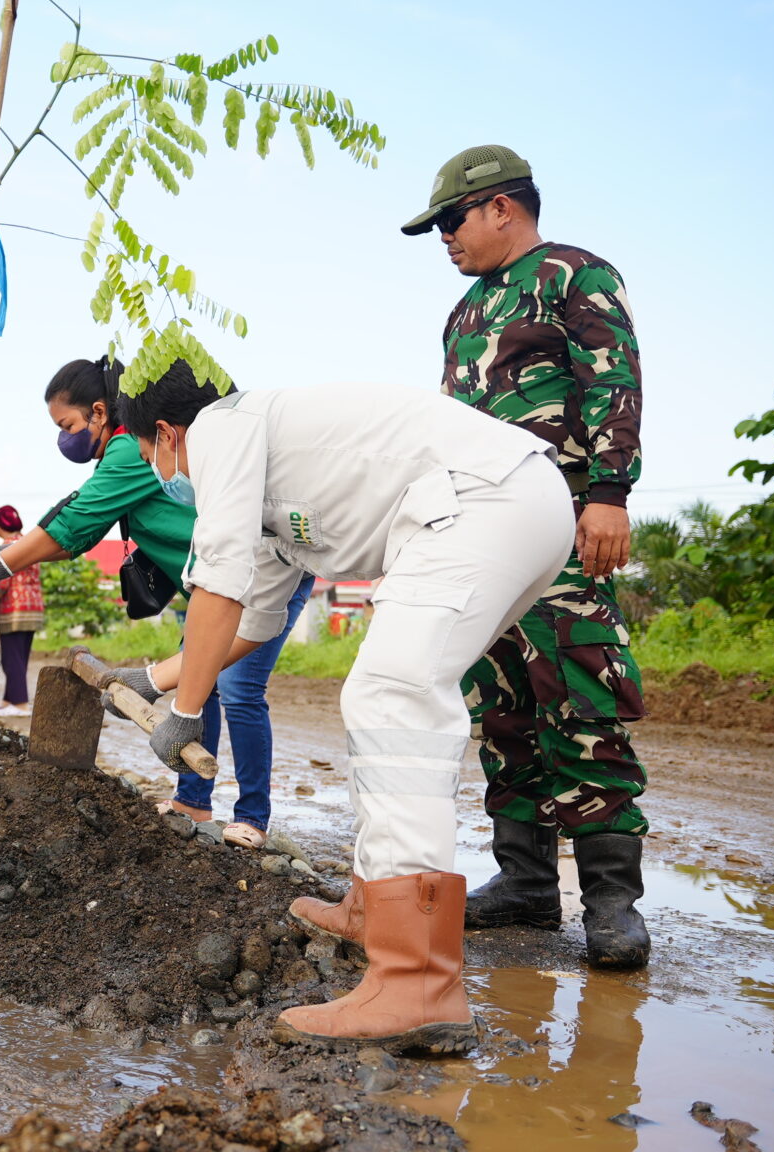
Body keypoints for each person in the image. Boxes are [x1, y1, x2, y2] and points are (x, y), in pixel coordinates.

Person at [119, 361, 574, 1054]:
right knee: (381, 695)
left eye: (148, 455)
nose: (160, 471)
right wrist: (155, 679)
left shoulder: (219, 428)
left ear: (164, 433)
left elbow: (215, 578)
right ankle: (373, 908)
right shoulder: (266, 477)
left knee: (394, 694)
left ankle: (417, 982)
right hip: (509, 507)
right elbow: (255, 618)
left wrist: (186, 709)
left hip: (490, 503)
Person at [402, 145, 652, 969]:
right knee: (501, 702)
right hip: (482, 537)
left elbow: (614, 378)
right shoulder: (465, 313)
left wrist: (609, 493)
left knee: (580, 694)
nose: (444, 237)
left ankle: (611, 902)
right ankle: (527, 884)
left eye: (451, 219)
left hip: (564, 523)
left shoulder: (574, 276)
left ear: (501, 207)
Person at [0, 356, 313, 847]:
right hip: (213, 586)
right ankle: (193, 801)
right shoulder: (120, 454)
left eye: (68, 425)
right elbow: (75, 525)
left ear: (100, 412)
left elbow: (75, 524)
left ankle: (251, 816)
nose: (64, 437)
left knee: (237, 687)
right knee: (201, 686)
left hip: (264, 574)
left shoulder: (131, 448)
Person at [0, 505, 44, 716]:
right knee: (21, 656)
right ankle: (9, 699)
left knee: (11, 658)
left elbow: (2, 582)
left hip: (13, 609)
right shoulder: (30, 542)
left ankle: (20, 704)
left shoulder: (5, 548)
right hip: (34, 607)